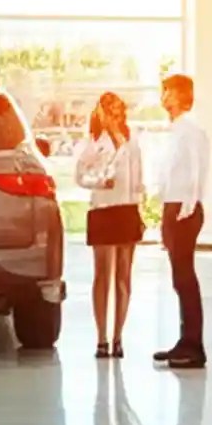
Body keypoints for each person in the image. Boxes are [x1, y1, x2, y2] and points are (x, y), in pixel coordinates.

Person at [75, 92, 145, 359]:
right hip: (103, 210)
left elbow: (139, 178)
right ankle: (101, 338)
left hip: (127, 210)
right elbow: (80, 175)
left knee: (124, 276)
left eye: (117, 111)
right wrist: (98, 183)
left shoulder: (132, 140)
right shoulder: (92, 142)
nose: (113, 116)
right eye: (108, 111)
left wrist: (139, 208)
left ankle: (118, 338)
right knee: (102, 275)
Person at [153, 74, 210, 369]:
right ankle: (185, 341)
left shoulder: (191, 129)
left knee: (185, 277)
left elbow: (199, 169)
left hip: (183, 209)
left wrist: (190, 203)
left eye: (168, 92)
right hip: (172, 206)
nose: (164, 97)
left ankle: (193, 346)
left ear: (181, 95)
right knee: (179, 277)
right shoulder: (174, 131)